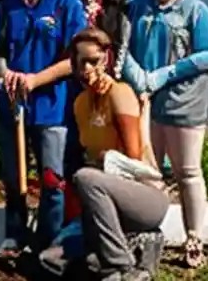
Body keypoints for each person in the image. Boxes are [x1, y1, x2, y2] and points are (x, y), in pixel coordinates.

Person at [120, 0, 208, 269]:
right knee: (148, 174)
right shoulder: (136, 9)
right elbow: (122, 46)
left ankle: (194, 237)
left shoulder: (196, 10)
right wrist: (139, 77)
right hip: (144, 102)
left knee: (188, 172)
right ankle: (148, 235)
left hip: (184, 104)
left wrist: (166, 74)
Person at [0, 0, 88, 252]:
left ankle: (49, 243)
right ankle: (15, 237)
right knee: (13, 177)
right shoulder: (7, 5)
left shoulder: (66, 6)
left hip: (51, 108)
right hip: (12, 106)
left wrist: (35, 80)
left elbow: (74, 60)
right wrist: (6, 76)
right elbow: (0, 52)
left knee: (52, 181)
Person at [68, 28, 168, 281]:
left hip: (144, 194)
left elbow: (133, 158)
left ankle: (120, 267)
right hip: (105, 198)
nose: (89, 68)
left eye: (95, 60)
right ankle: (117, 256)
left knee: (86, 178)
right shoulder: (80, 103)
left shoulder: (120, 93)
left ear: (106, 60)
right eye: (83, 62)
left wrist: (103, 158)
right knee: (52, 259)